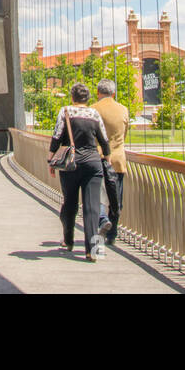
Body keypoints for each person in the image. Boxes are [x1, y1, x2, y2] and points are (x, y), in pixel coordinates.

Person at [48, 83, 111, 261]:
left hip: (71, 164)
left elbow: (57, 136)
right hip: (93, 163)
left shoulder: (66, 111)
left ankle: (68, 239)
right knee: (92, 207)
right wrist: (107, 157)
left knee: (70, 204)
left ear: (72, 97)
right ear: (88, 98)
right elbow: (104, 140)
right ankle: (92, 250)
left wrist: (51, 159)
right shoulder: (94, 114)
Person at [91, 79, 129, 247]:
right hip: (118, 160)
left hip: (97, 159)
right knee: (116, 199)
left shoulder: (93, 109)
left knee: (98, 196)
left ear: (98, 93)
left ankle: (102, 220)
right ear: (113, 93)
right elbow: (124, 134)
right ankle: (112, 235)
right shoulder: (123, 110)